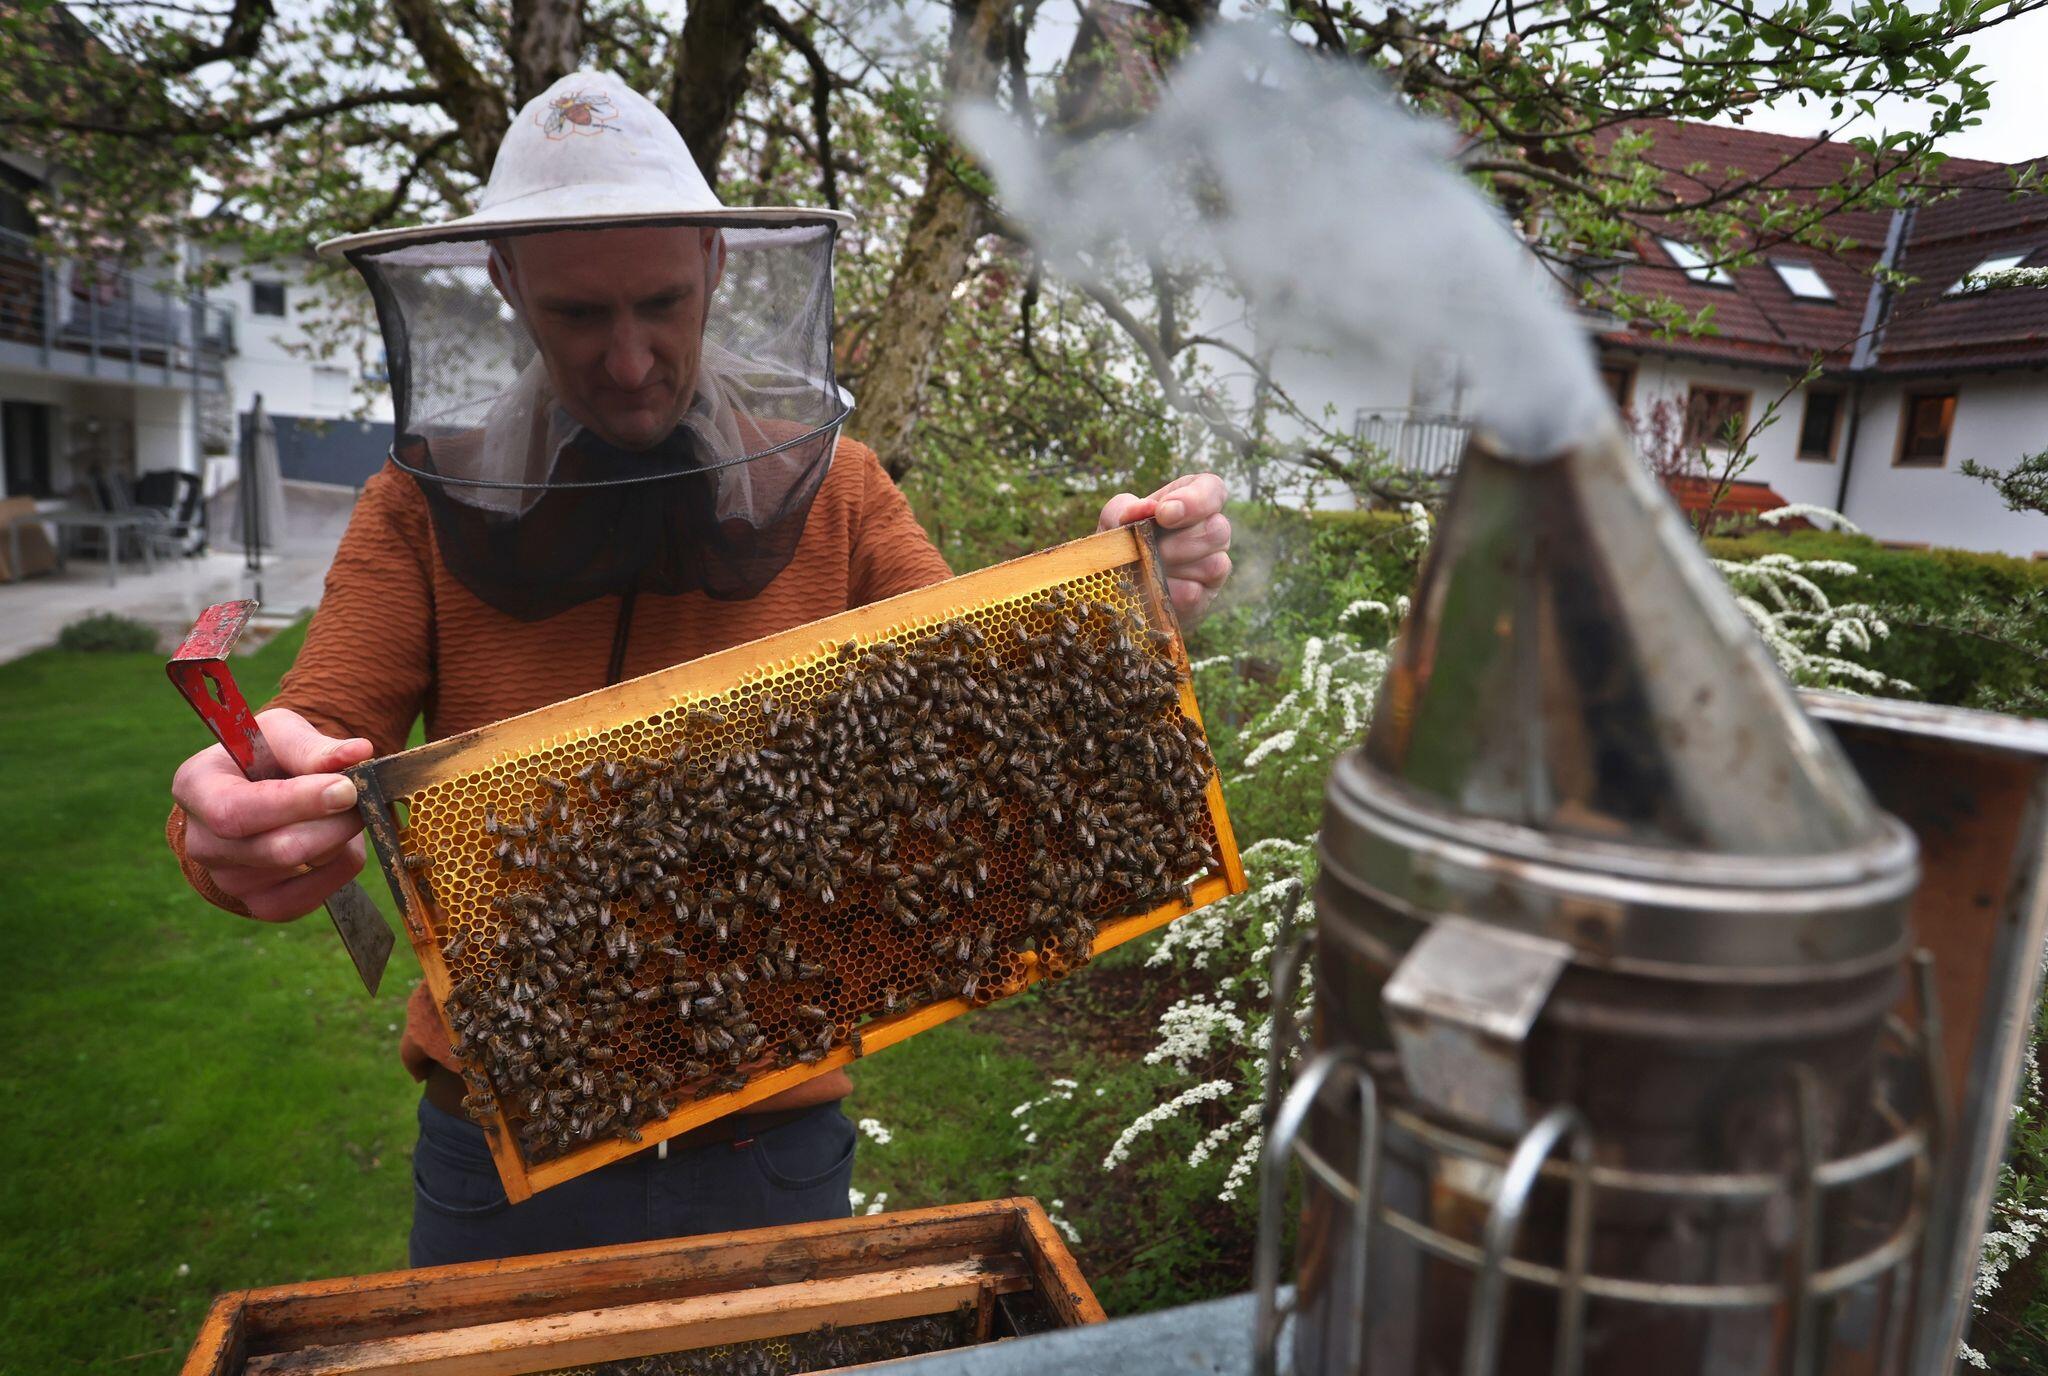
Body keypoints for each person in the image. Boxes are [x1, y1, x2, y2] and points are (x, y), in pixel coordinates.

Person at [163, 71, 1232, 1267]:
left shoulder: (843, 491)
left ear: (718, 267)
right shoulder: (415, 507)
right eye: (577, 314)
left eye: (663, 301)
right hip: (497, 1147)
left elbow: (973, 701)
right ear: (507, 287)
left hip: (773, 1149)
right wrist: (247, 812)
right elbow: (308, 730)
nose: (628, 360)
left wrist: (1119, 600)